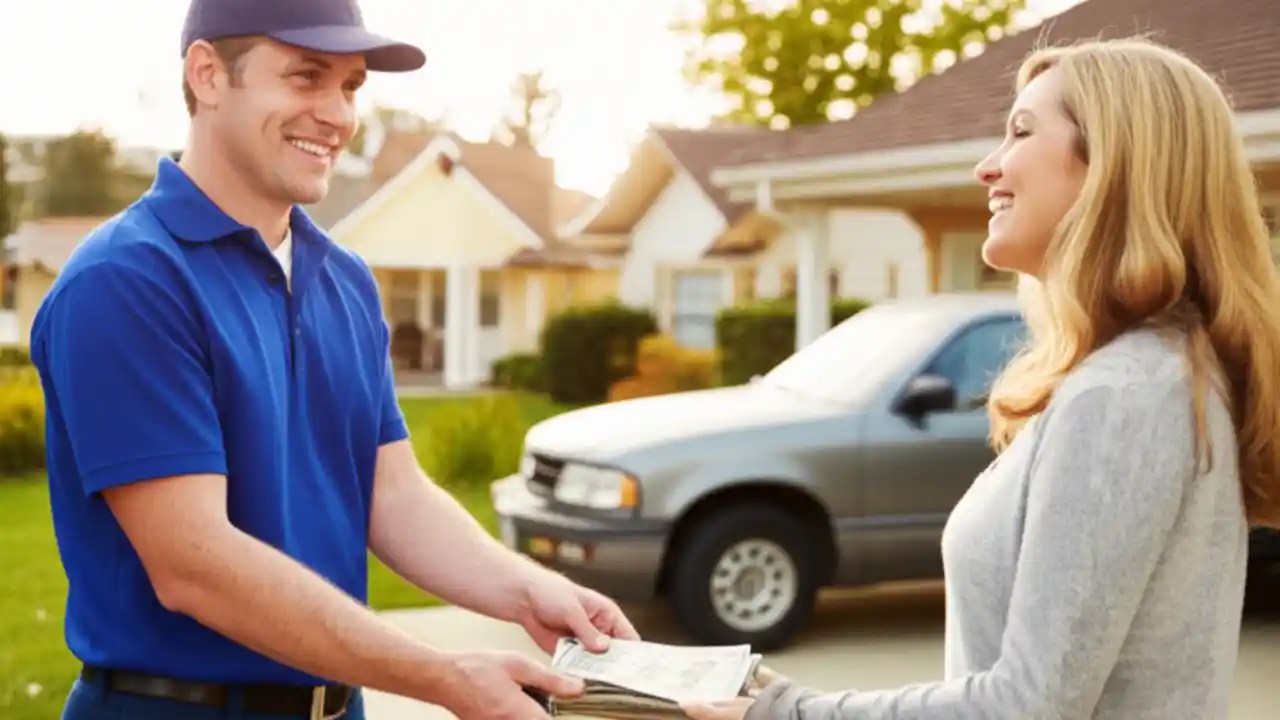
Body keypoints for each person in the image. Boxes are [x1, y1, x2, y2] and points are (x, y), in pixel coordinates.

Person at [33, 1, 638, 719]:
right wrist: (445, 676)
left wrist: (524, 587)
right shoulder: (127, 281)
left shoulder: (342, 278)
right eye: (305, 76)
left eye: (350, 86)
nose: (338, 115)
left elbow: (393, 496)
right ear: (207, 75)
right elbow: (195, 566)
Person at [683, 37, 1280, 720]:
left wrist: (788, 715)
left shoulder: (1127, 393)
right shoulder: (1158, 374)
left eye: (1021, 131)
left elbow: (1027, 707)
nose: (985, 168)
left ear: (1114, 162)